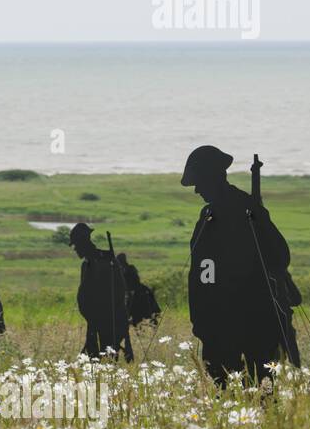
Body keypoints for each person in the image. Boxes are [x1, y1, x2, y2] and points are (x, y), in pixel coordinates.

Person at [182, 145, 300, 386]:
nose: (196, 190)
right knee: (260, 387)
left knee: (239, 388)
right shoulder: (239, 209)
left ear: (212, 177)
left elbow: (204, 273)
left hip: (238, 319)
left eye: (199, 183)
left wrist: (203, 316)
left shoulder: (224, 214)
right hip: (245, 318)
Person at [69, 223, 132, 362]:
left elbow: (117, 292)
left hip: (109, 321)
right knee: (94, 360)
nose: (75, 249)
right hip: (95, 322)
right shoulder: (89, 263)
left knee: (105, 359)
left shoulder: (103, 261)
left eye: (76, 245)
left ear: (83, 242)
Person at [116, 253, 161, 327]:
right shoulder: (123, 270)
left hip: (135, 291)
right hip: (131, 291)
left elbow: (135, 281)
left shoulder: (129, 269)